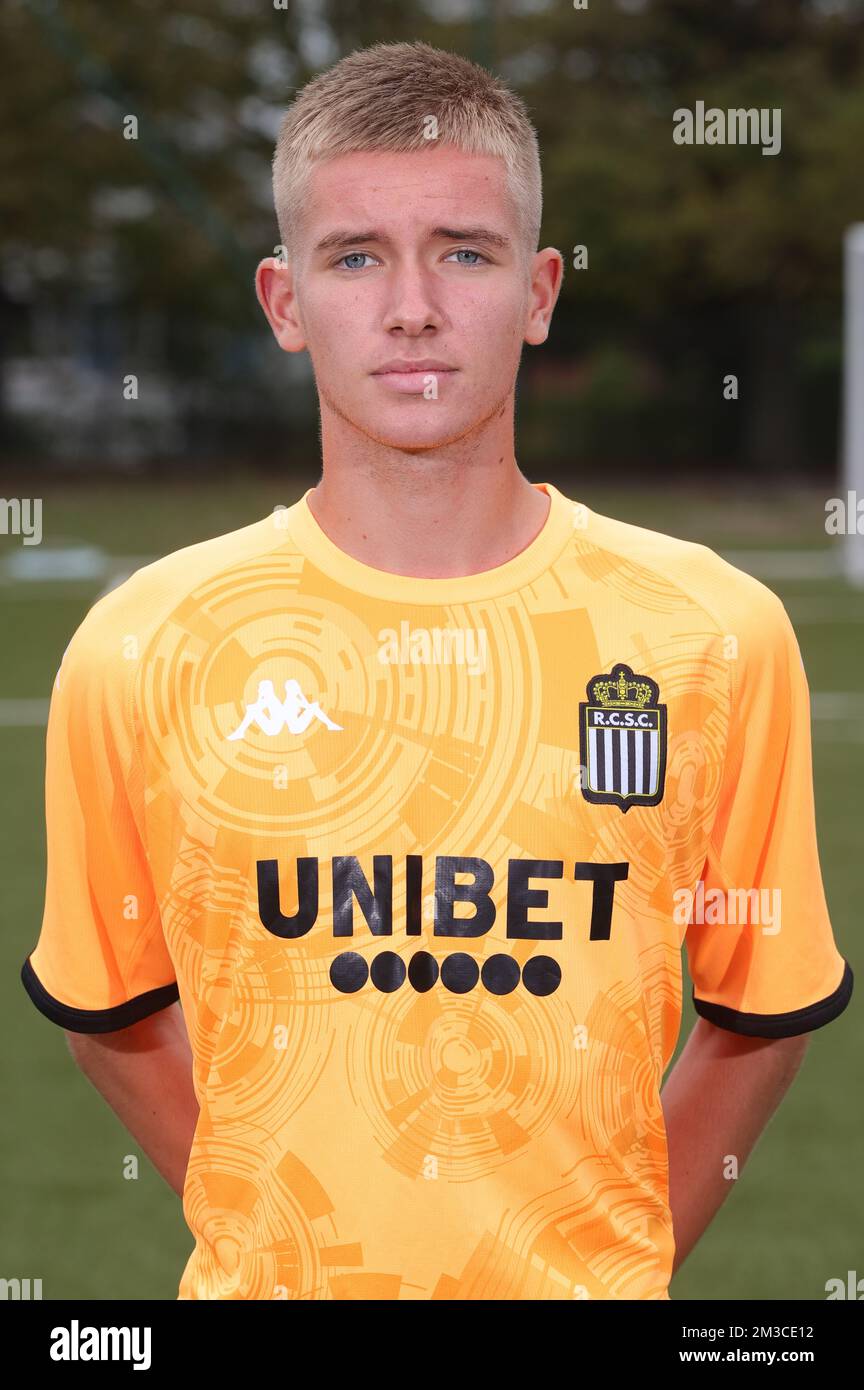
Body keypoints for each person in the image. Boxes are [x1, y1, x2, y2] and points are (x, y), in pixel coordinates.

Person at [21, 40, 852, 1301]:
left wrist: (601, 1267)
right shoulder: (143, 644)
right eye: (356, 257)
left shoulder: (714, 630)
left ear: (540, 290)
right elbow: (113, 1012)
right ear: (285, 301)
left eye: (465, 250)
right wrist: (278, 1241)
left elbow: (758, 1014)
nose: (412, 305)